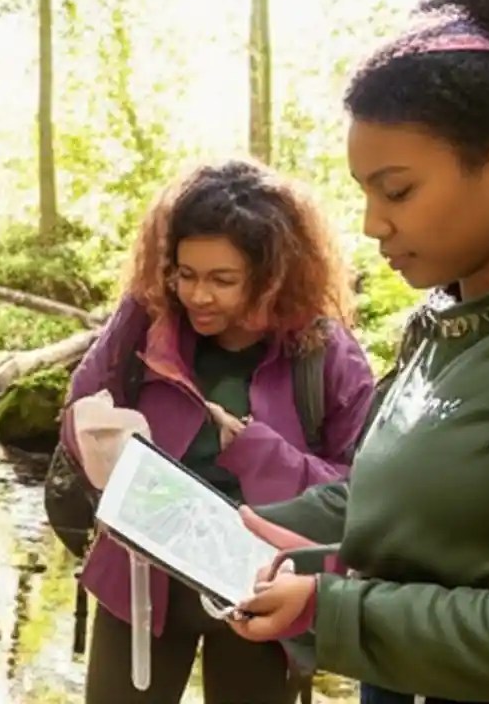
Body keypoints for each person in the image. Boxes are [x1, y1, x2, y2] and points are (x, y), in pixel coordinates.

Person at [227, 0, 489, 703]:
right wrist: (235, 533)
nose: (374, 223)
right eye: (365, 191)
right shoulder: (442, 322)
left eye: (398, 190)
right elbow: (404, 508)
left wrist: (333, 609)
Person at [58, 158, 376, 704]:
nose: (197, 296)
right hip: (138, 578)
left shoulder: (327, 356)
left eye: (222, 280)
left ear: (272, 276)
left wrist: (259, 454)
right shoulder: (147, 320)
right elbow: (79, 409)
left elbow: (362, 497)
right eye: (185, 274)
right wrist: (99, 442)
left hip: (260, 586)